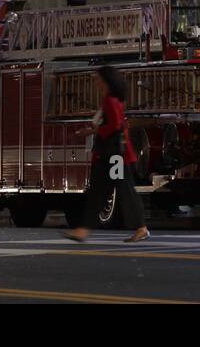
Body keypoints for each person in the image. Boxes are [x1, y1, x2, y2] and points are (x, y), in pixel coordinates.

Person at [64, 66, 150, 244]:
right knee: (106, 190)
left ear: (106, 80)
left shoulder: (109, 100)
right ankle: (83, 230)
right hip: (113, 155)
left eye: (98, 79)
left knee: (116, 190)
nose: (96, 82)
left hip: (113, 155)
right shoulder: (113, 99)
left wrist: (92, 131)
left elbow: (115, 126)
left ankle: (140, 227)